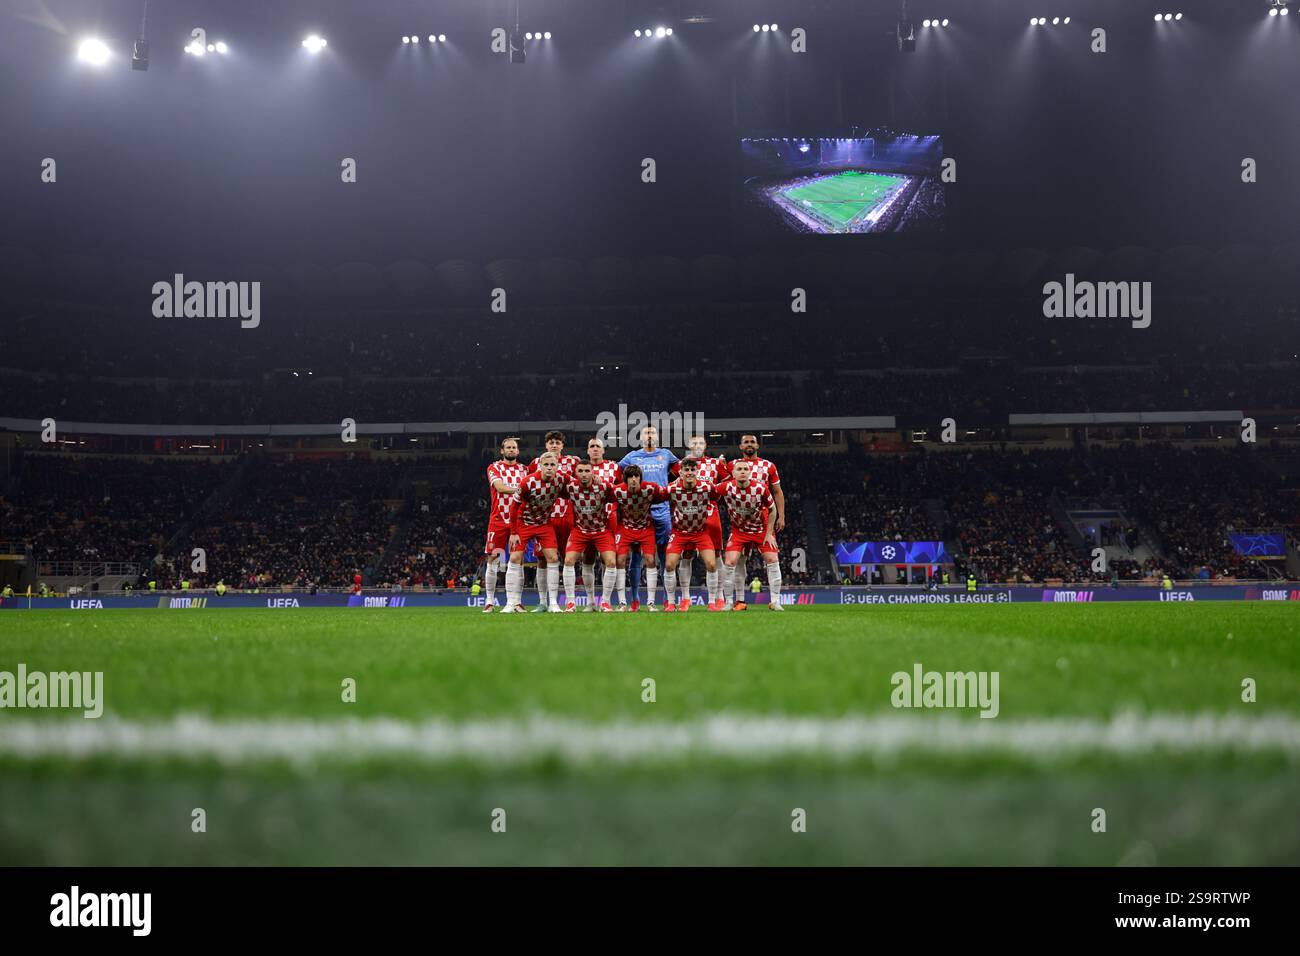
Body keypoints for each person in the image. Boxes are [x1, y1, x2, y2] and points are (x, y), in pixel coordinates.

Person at [618, 425, 678, 610]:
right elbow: (618, 476)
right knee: (636, 556)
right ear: (640, 438)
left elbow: (681, 472)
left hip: (661, 509)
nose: (649, 436)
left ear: (657, 437)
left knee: (662, 555)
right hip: (639, 511)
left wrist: (670, 487)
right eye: (646, 433)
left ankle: (668, 599)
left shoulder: (666, 454)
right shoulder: (632, 457)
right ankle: (635, 598)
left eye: (652, 433)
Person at [671, 435, 731, 612]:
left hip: (710, 513)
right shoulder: (681, 464)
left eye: (701, 443)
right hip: (686, 513)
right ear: (689, 446)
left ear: (706, 446)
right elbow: (673, 480)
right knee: (686, 555)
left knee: (716, 556)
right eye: (694, 443)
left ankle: (719, 597)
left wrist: (715, 491)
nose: (697, 446)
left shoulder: (715, 463)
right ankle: (686, 598)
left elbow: (728, 482)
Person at [504, 452, 566, 613]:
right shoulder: (528, 482)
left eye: (553, 465)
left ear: (557, 466)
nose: (549, 468)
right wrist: (513, 532)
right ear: (540, 466)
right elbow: (514, 507)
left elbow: (576, 486)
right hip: (523, 523)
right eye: (546, 465)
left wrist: (595, 479)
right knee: (515, 557)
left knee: (552, 557)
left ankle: (553, 603)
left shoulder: (561, 479)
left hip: (544, 524)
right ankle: (510, 603)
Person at [527, 432, 582, 613]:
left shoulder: (573, 462)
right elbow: (529, 486)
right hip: (546, 518)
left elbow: (581, 482)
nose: (554, 445)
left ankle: (570, 602)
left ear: (562, 446)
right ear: (546, 445)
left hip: (568, 516)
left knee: (568, 560)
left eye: (558, 443)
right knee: (543, 560)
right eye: (551, 442)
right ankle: (544, 602)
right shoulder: (536, 462)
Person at [716, 459, 780, 611]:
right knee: (730, 562)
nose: (743, 471)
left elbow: (773, 510)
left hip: (761, 530)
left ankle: (775, 601)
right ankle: (729, 602)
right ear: (733, 473)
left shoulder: (761, 488)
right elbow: (707, 493)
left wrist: (770, 533)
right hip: (739, 531)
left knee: (772, 559)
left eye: (746, 469)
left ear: (750, 473)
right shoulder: (725, 487)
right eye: (739, 469)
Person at [662, 459, 722, 611]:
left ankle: (712, 603)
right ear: (680, 472)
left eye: (692, 470)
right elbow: (657, 497)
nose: (689, 473)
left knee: (712, 564)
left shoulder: (707, 487)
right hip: (679, 533)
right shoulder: (672, 488)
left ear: (697, 472)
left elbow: (718, 497)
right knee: (669, 565)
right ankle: (671, 603)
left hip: (701, 532)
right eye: (686, 470)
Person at [560, 461, 618, 611]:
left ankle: (605, 602)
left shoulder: (604, 487)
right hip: (580, 530)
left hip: (602, 530)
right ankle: (575, 603)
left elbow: (619, 496)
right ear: (576, 473)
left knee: (611, 562)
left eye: (587, 470)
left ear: (593, 472)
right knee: (568, 561)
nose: (584, 474)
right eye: (580, 471)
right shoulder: (570, 488)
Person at [611, 465, 666, 611]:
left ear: (640, 478)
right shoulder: (617, 490)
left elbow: (666, 494)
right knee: (620, 560)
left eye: (636, 476)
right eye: (630, 477)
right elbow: (604, 497)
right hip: (625, 528)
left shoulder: (650, 488)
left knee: (650, 560)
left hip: (645, 528)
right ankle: (622, 603)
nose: (634, 479)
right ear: (626, 479)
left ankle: (651, 603)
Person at [482, 437, 525, 612]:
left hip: (518, 521)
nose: (511, 450)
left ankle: (516, 601)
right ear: (502, 451)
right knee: (493, 558)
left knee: (518, 560)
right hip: (498, 520)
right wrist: (522, 489)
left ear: (518, 451)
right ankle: (490, 601)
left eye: (514, 447)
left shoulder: (524, 469)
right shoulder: (494, 467)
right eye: (508, 447)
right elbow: (500, 487)